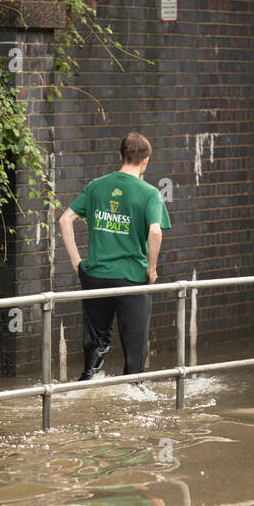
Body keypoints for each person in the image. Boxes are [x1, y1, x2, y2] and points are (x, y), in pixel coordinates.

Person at [59, 131, 172, 384]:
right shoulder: (149, 193)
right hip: (130, 278)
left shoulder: (96, 186)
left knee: (96, 339)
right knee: (134, 341)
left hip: (95, 276)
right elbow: (155, 231)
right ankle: (132, 388)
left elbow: (65, 219)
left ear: (120, 156)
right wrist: (152, 269)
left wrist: (76, 262)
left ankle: (87, 381)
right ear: (146, 161)